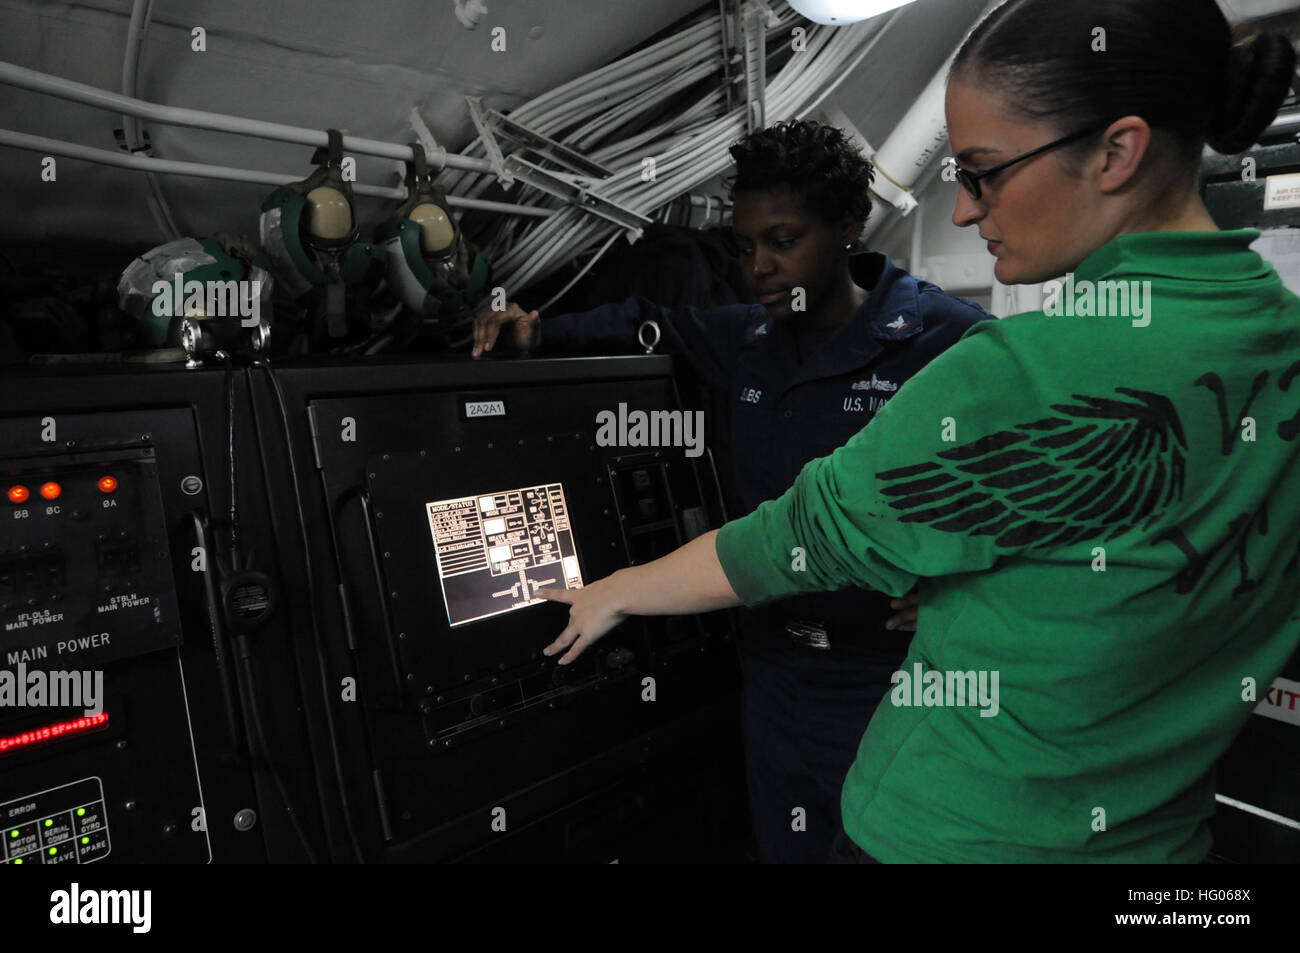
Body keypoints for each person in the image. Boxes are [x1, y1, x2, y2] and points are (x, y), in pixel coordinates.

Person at [536, 0, 1300, 863]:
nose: (967, 212)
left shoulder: (1019, 370)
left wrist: (615, 590)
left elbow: (799, 538)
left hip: (949, 833)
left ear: (1117, 152)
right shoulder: (1282, 342)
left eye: (984, 172)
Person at [472, 119, 991, 863]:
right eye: (745, 248)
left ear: (848, 227)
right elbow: (650, 323)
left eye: (783, 241)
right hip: (773, 673)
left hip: (885, 680)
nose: (759, 269)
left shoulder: (945, 340)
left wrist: (964, 590)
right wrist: (537, 333)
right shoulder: (748, 338)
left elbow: (1026, 500)